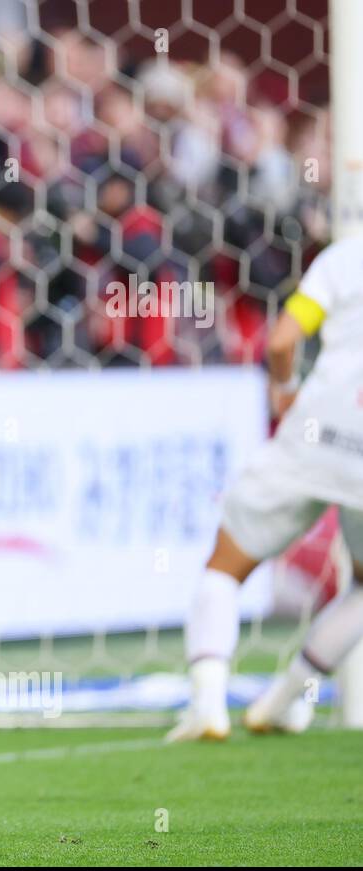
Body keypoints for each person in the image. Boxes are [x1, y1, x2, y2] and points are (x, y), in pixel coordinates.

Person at [169, 233, 363, 741]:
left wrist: (283, 389)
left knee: (225, 566)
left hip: (313, 437)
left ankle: (207, 705)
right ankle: (285, 697)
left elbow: (281, 341)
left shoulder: (344, 258)